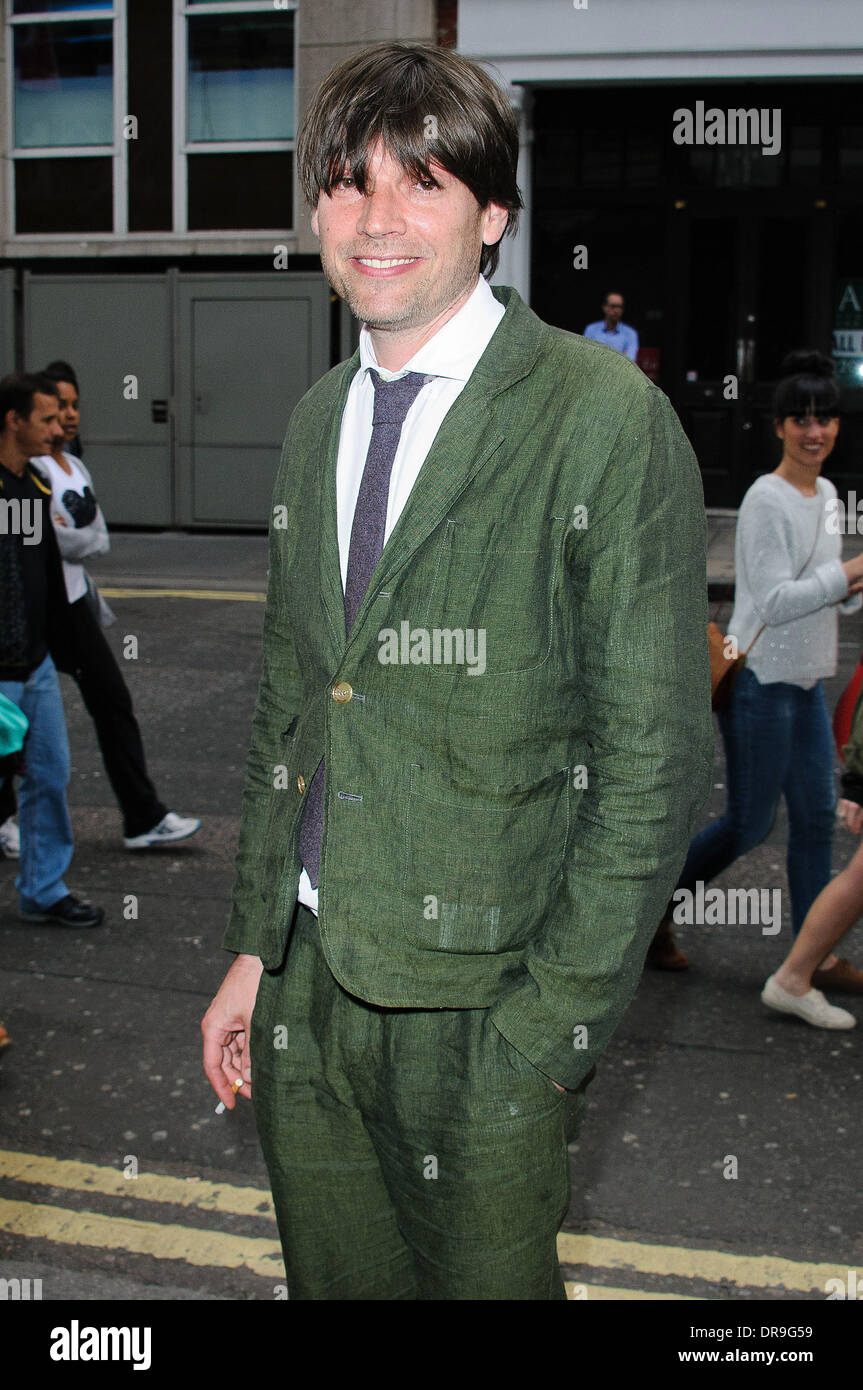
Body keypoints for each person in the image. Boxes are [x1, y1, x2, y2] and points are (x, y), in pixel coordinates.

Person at [201, 42, 713, 1301]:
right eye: (345, 181)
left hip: (488, 1013)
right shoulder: (319, 412)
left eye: (419, 183)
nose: (375, 219)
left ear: (491, 215)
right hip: (308, 988)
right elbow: (291, 697)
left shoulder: (599, 415)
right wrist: (255, 949)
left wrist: (545, 1036)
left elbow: (655, 761)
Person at [650, 351, 863, 1001]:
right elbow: (772, 601)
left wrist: (849, 589)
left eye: (823, 418)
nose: (812, 431)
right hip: (760, 683)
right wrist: (852, 573)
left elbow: (827, 592)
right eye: (798, 419)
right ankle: (649, 913)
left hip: (804, 685)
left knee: (813, 816)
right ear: (776, 428)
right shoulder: (764, 498)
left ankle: (812, 955)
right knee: (746, 825)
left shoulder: (826, 495)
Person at [22, 360, 201, 852]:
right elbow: (67, 539)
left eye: (74, 405)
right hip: (41, 609)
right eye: (58, 407)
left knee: (108, 704)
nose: (67, 416)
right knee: (24, 717)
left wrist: (75, 534)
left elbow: (89, 537)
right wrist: (75, 534)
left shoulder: (72, 463)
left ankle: (142, 816)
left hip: (72, 602)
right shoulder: (29, 469)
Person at [0, 372, 104, 927]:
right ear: (13, 421)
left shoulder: (32, 488)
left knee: (50, 773)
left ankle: (42, 888)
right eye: (43, 417)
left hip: (33, 666)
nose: (56, 425)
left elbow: (40, 572)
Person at [762, 673, 863, 1027]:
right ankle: (795, 975)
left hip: (795, 681)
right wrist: (858, 780)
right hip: (771, 680)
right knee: (748, 824)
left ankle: (797, 974)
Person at [583, 292, 639, 361]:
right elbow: (586, 356)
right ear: (604, 307)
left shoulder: (631, 333)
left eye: (620, 307)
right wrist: (621, 357)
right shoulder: (591, 329)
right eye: (613, 306)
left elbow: (630, 362)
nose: (616, 310)